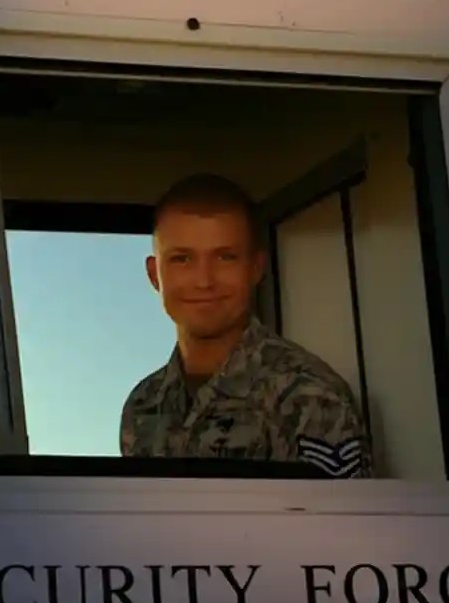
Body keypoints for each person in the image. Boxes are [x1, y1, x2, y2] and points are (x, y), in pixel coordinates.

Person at [120, 173, 373, 479]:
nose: (204, 281)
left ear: (255, 268)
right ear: (154, 274)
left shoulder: (308, 397)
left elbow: (339, 525)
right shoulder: (143, 405)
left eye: (225, 257)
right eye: (182, 259)